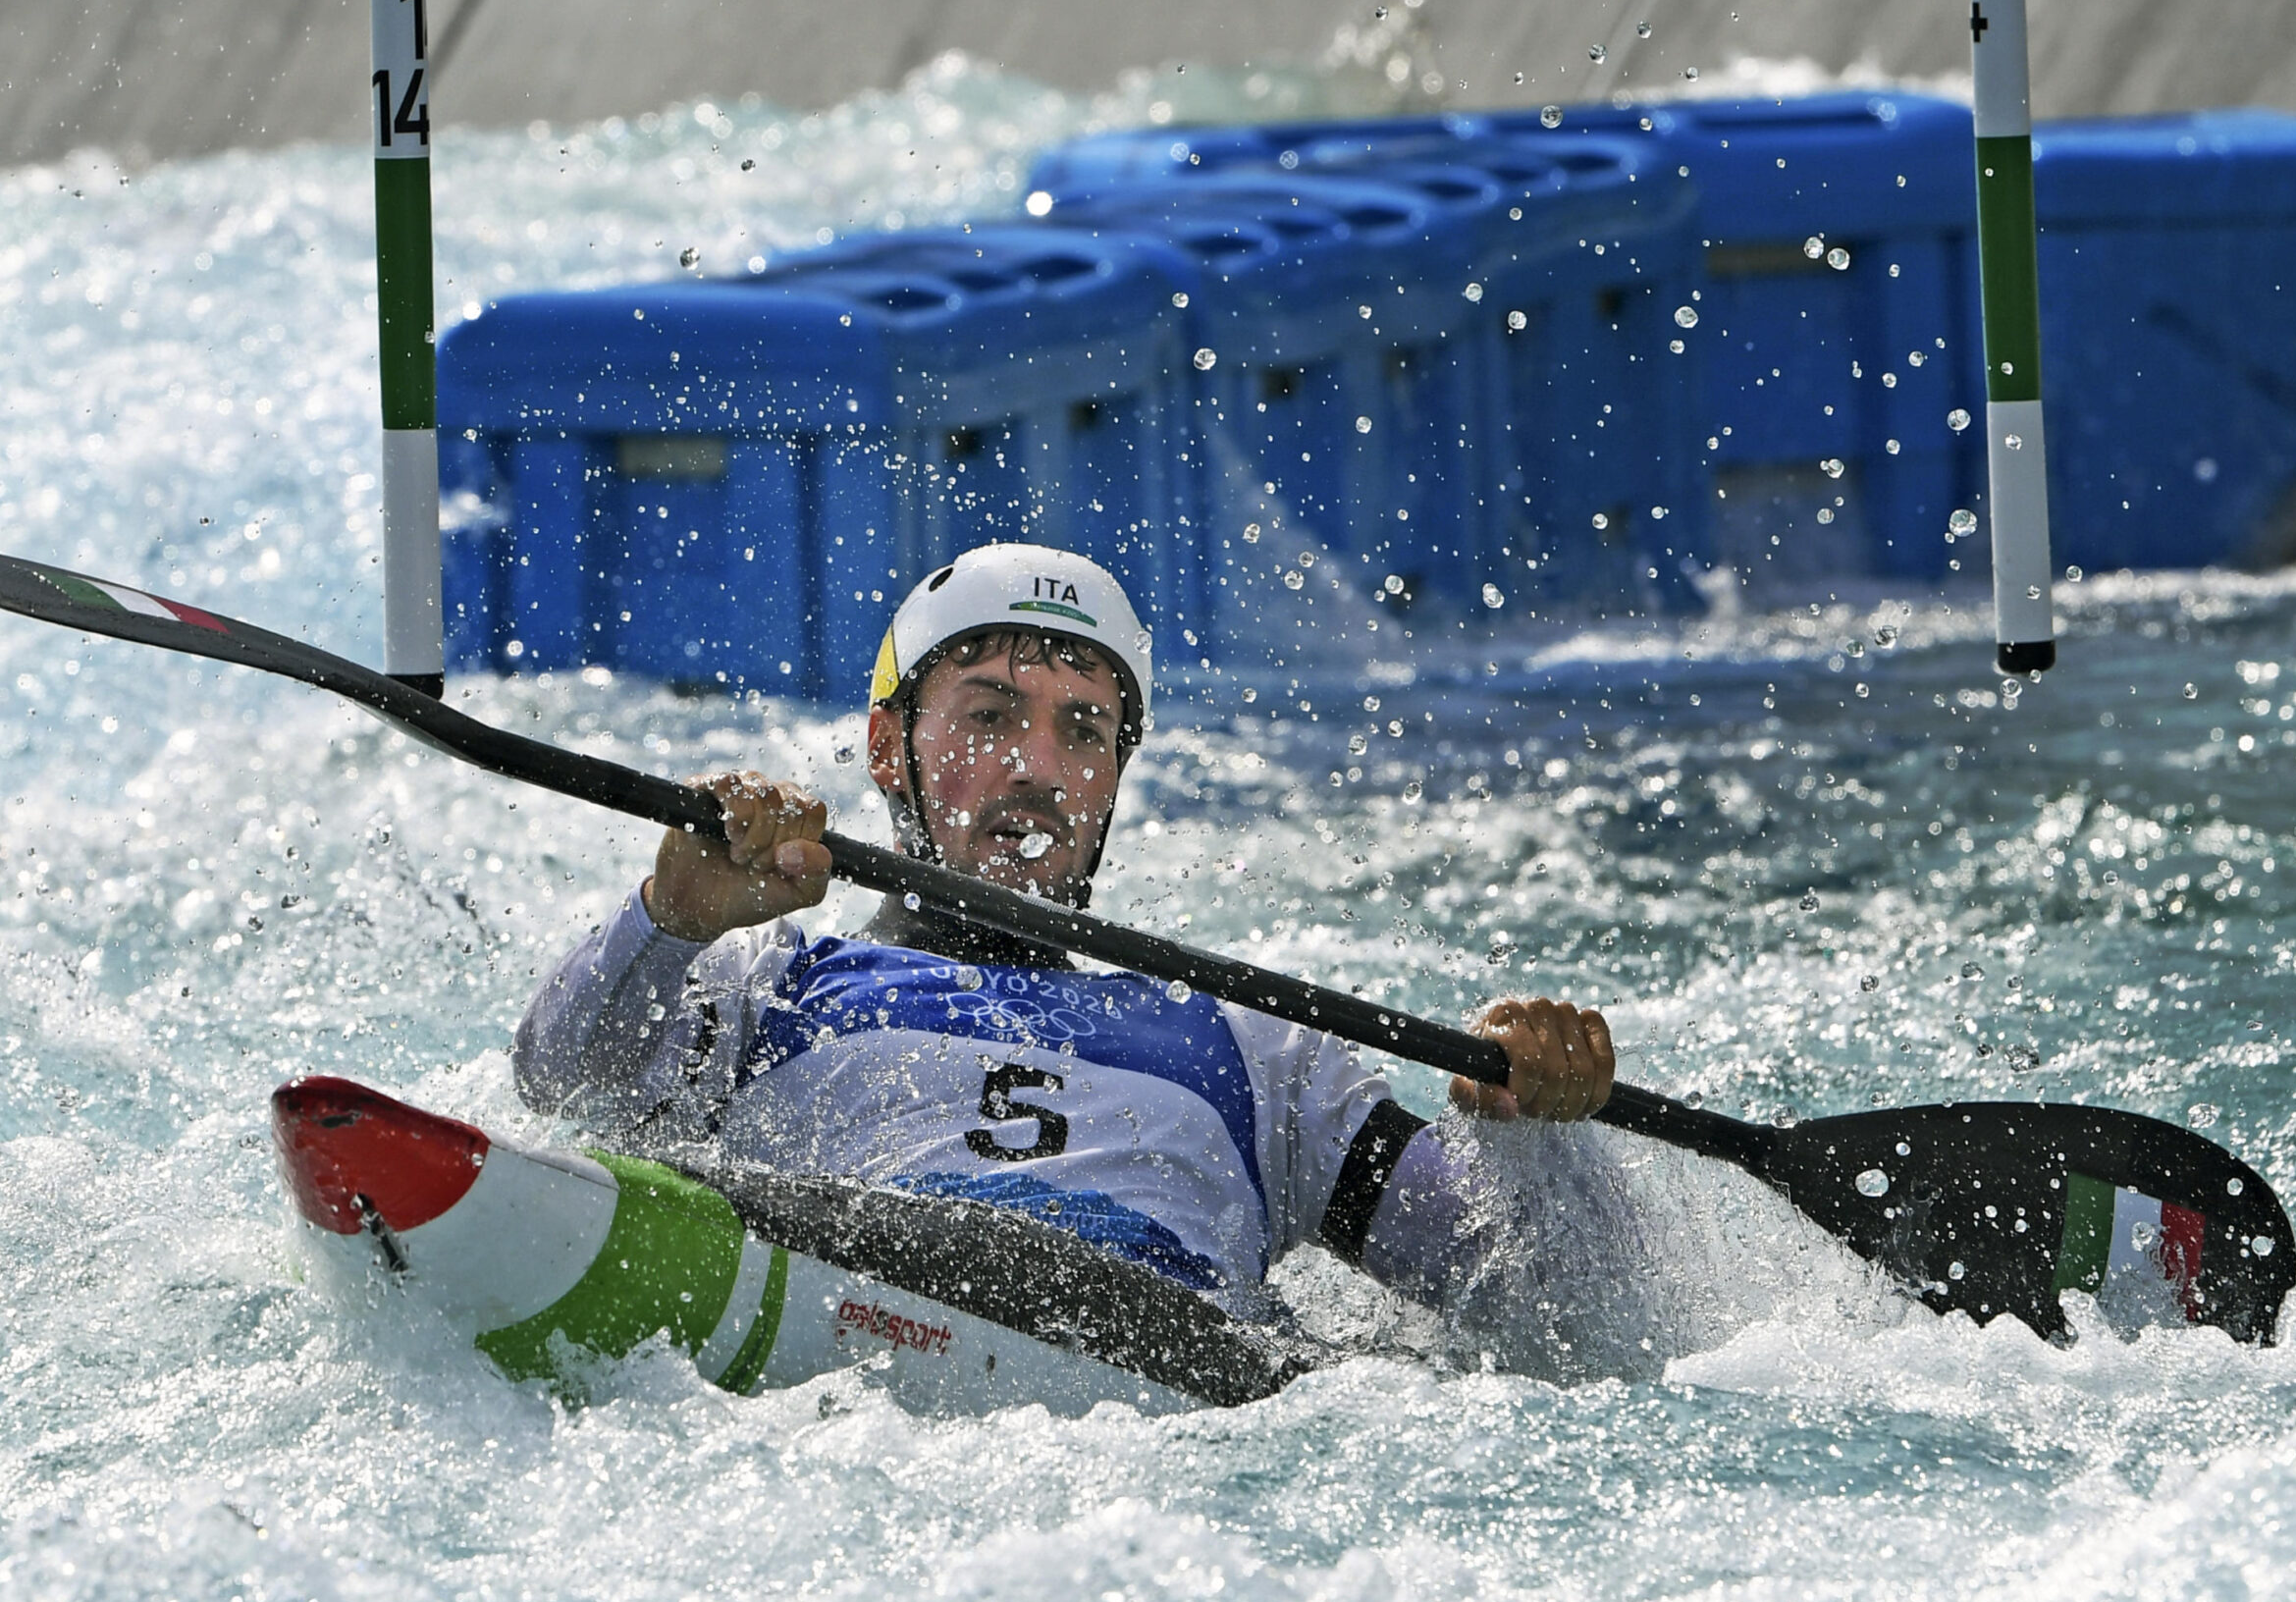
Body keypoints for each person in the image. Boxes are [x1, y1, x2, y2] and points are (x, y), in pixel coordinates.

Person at [514, 542, 1615, 1315]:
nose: (1039, 769)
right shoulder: (766, 980)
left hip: (1176, 1375)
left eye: (1083, 731)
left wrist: (1529, 1139)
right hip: (848, 1305)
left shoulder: (1259, 1049)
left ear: (1116, 778)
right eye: (990, 716)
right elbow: (557, 1090)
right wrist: (670, 921)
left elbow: (1530, 1306)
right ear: (889, 750)